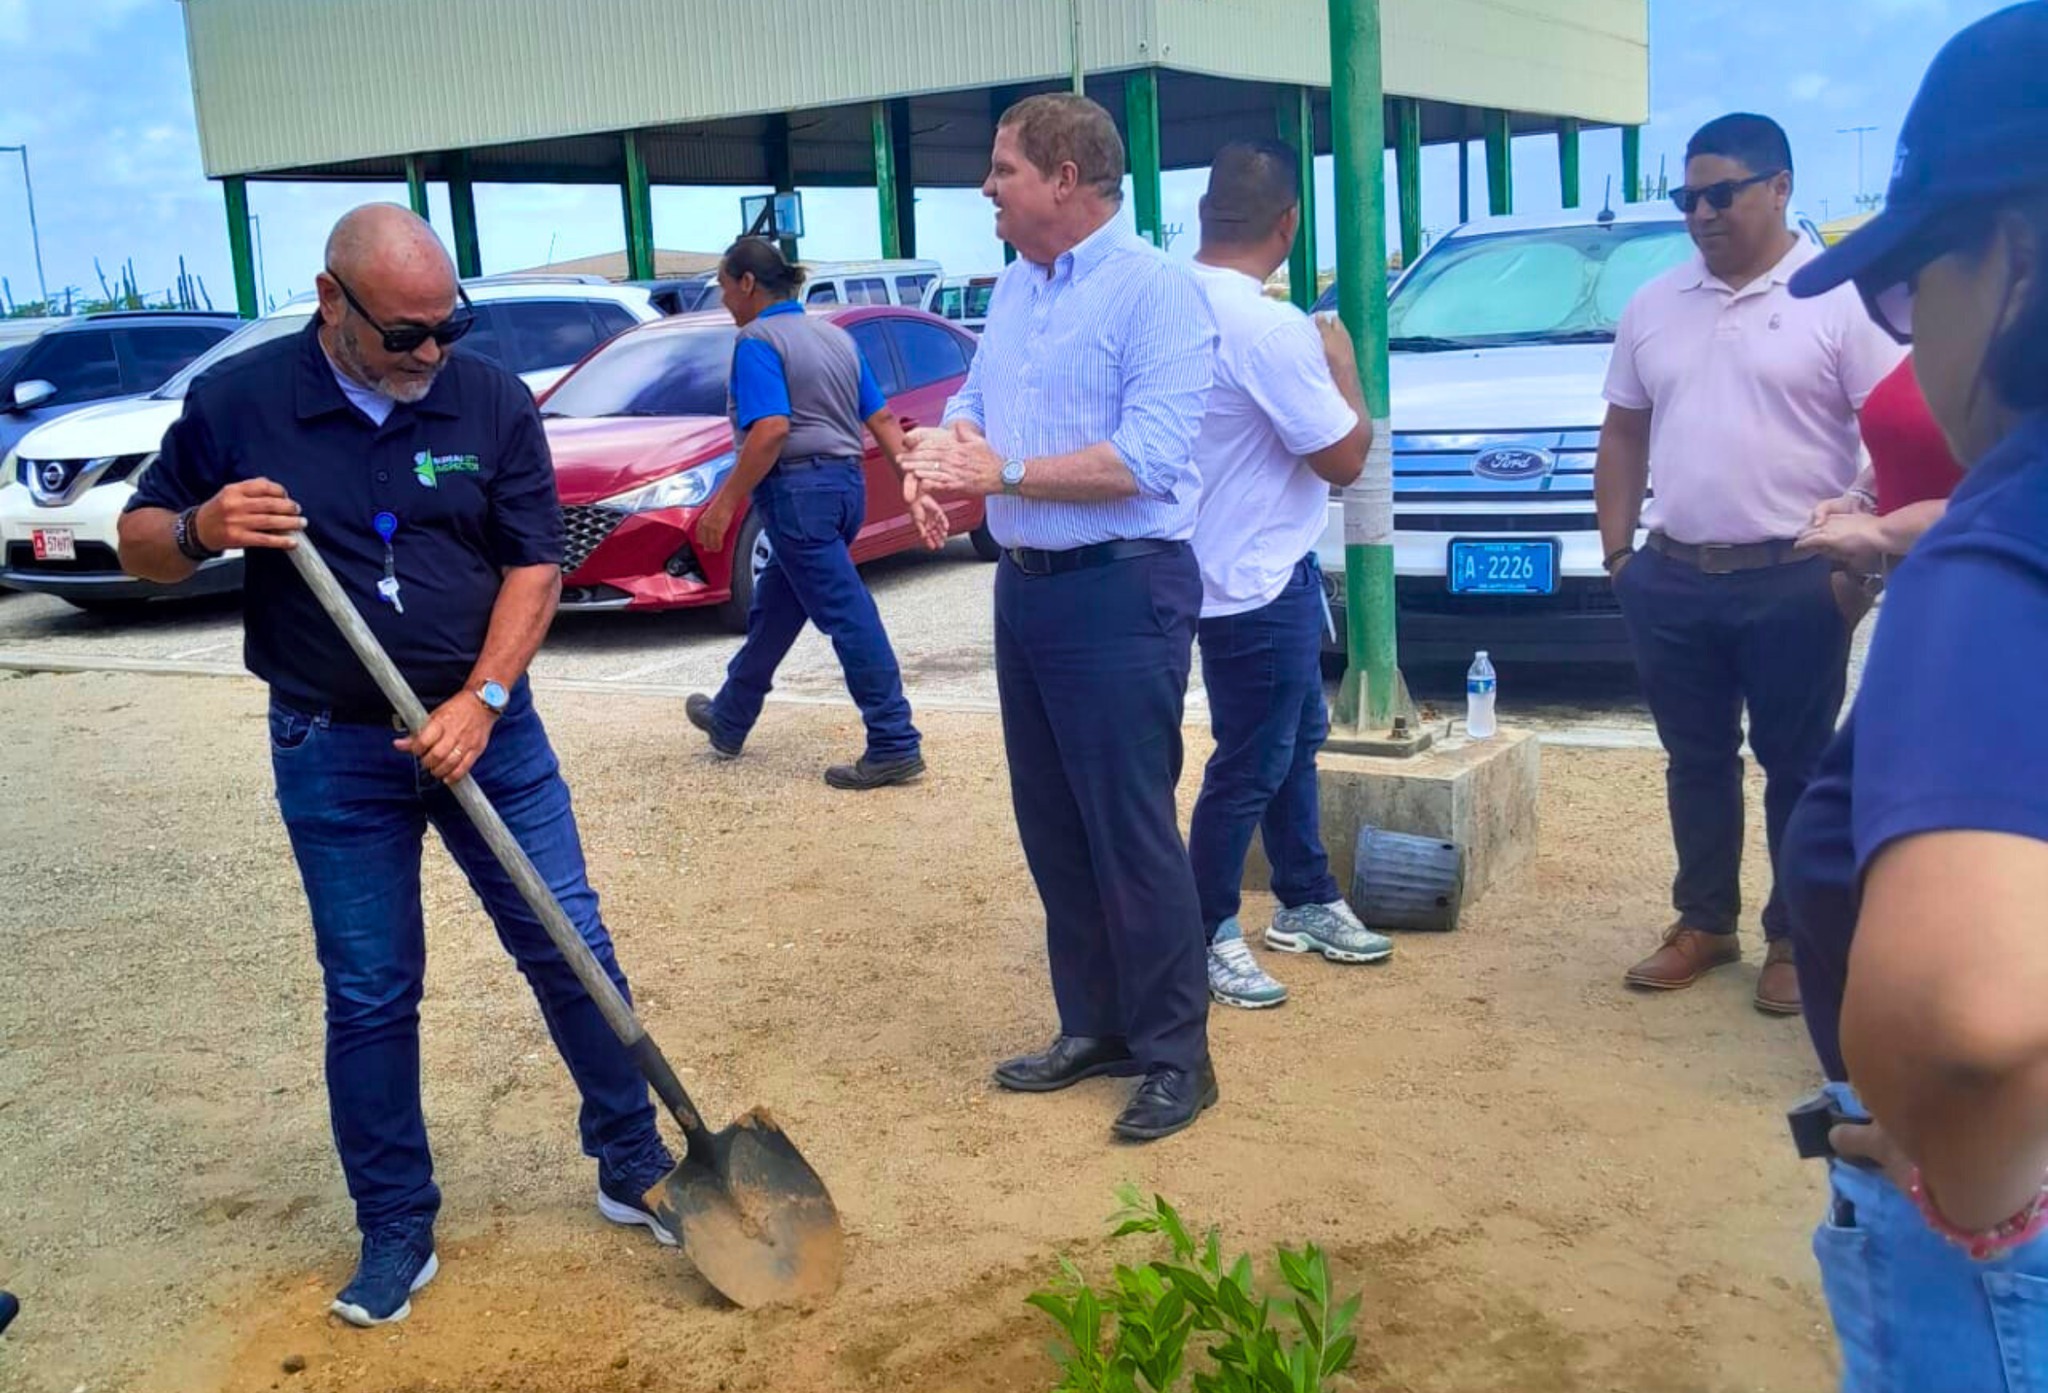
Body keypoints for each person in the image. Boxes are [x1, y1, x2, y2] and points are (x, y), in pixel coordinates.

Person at [115, 205, 677, 1327]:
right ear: (333, 302)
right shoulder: (240, 403)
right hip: (333, 742)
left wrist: (484, 697)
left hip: (489, 731)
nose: (430, 354)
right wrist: (203, 528)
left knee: (571, 944)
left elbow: (532, 568)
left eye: (446, 328)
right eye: (405, 334)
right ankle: (394, 1223)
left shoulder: (490, 400)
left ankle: (637, 1160)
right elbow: (140, 544)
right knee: (371, 992)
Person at [1779, 5, 2048, 1383]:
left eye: (1909, 288)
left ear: (2012, 252)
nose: (1907, 335)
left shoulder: (1997, 542)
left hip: (1997, 1277)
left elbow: (1963, 1022)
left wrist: (1964, 1178)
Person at [902, 93, 1220, 1141]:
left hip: (1120, 587)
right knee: (1054, 825)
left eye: (1001, 169)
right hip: (1027, 586)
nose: (985, 188)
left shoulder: (1155, 293)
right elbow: (977, 405)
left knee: (1128, 830)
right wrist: (943, 456)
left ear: (1065, 181)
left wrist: (1009, 471)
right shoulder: (1016, 289)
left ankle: (1177, 1053)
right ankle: (1096, 1025)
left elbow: (1151, 457)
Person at [1594, 113, 1904, 1016]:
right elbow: (1624, 429)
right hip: (1675, 573)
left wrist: (1859, 565)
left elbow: (1894, 430)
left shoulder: (1838, 298)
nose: (1701, 213)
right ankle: (1706, 920)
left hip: (1797, 576)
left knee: (1797, 763)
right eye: (1687, 197)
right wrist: (1621, 558)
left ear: (1779, 187)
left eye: (1720, 193)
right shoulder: (1656, 305)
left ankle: (1794, 936)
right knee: (1694, 757)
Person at [1181, 140, 1390, 1010]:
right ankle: (1203, 931)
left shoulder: (1166, 298)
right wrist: (1345, 374)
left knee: (1293, 739)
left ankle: (1305, 895)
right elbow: (1344, 456)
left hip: (1201, 568)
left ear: (1202, 214)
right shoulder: (1270, 327)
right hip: (1259, 580)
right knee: (1253, 761)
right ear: (1289, 223)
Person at [684, 237, 945, 791]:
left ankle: (894, 740)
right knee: (778, 606)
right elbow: (880, 421)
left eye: (726, 288)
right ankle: (731, 715)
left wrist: (724, 502)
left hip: (798, 494)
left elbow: (771, 429)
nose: (724, 301)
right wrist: (912, 485)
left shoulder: (757, 341)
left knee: (849, 615)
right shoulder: (835, 338)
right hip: (845, 489)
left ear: (748, 284)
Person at [1797, 354, 1963, 575]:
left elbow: (2013, 502)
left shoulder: (2013, 343)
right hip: (1916, 577)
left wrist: (1878, 530)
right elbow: (1916, 439)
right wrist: (1864, 494)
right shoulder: (1947, 336)